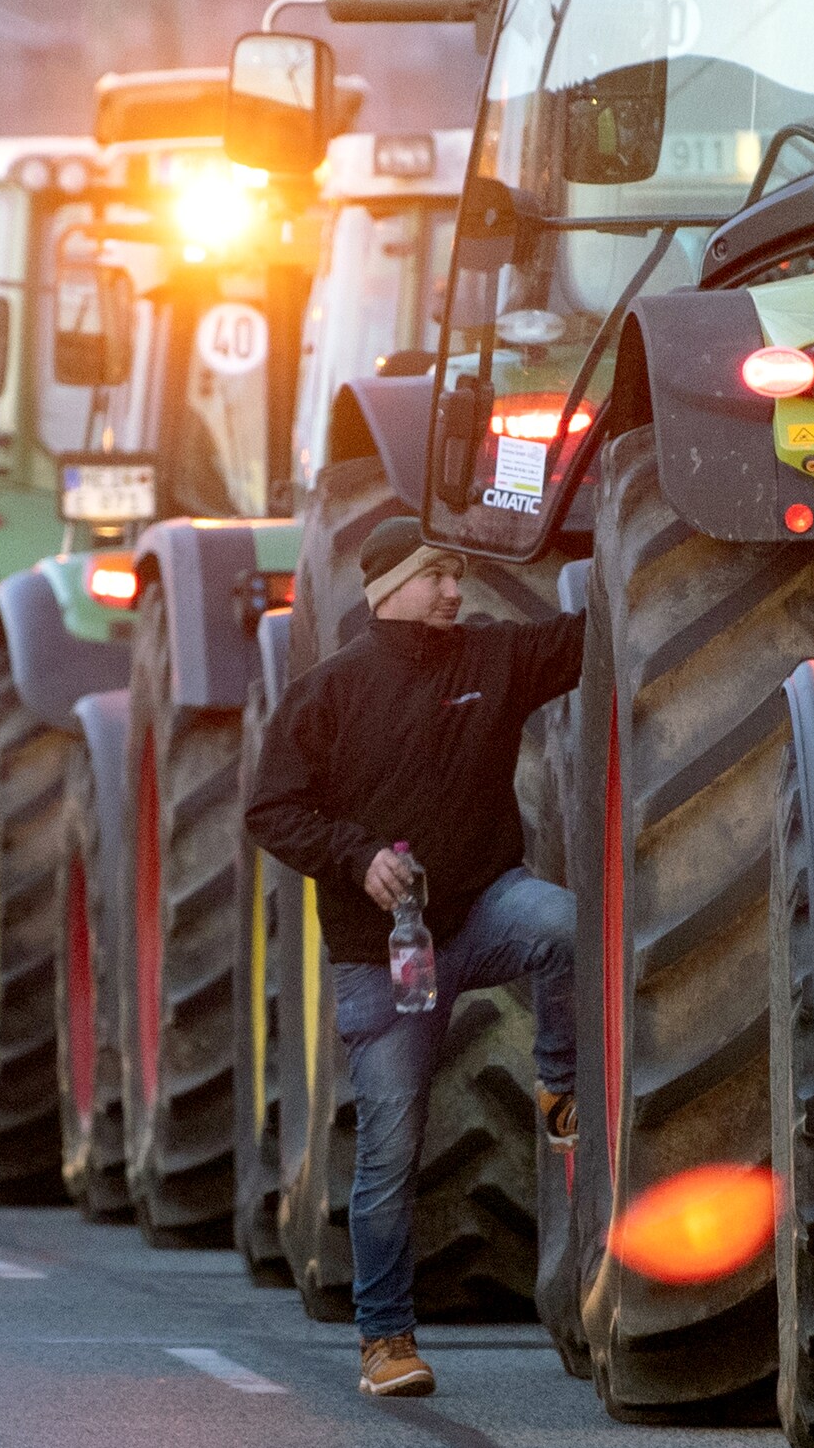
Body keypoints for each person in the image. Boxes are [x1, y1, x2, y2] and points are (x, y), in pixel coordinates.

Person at [246, 517, 581, 1399]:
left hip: (484, 910)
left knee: (569, 928)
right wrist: (359, 858)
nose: (452, 589)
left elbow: (592, 634)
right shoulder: (327, 693)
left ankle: (561, 1086)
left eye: (458, 573)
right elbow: (269, 810)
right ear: (386, 584)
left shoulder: (492, 661)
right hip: (383, 951)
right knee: (390, 1156)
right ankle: (386, 1339)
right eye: (437, 573)